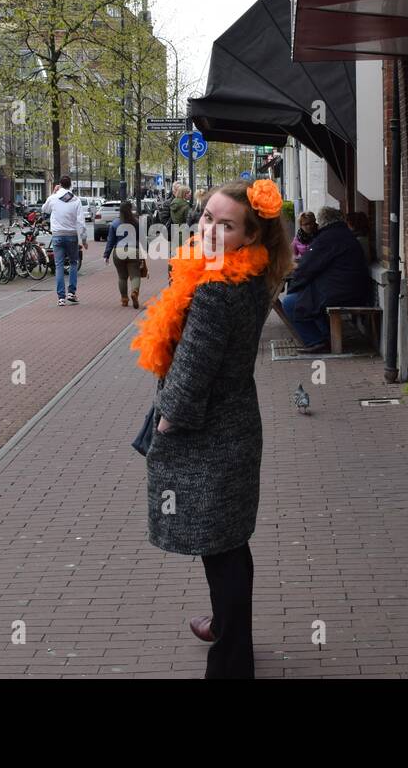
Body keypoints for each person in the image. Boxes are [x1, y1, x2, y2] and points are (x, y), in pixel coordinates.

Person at [131, 177, 292, 679]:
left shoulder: (217, 291)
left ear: (250, 238)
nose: (211, 229)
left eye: (226, 225)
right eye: (207, 218)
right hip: (235, 423)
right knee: (227, 542)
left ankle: (230, 662)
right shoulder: (247, 276)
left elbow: (194, 366)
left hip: (209, 435)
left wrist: (167, 419)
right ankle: (225, 627)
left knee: (220, 549)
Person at [280, 206, 373, 353]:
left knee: (290, 302)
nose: (315, 225)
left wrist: (294, 287)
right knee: (308, 300)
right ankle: (324, 337)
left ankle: (316, 341)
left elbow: (307, 266)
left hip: (341, 291)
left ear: (323, 222)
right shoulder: (342, 235)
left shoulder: (328, 238)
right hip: (352, 289)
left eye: (317, 221)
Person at [42, 175, 87, 305]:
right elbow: (81, 222)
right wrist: (83, 239)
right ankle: (71, 293)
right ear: (70, 185)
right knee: (73, 263)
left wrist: (53, 192)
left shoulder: (54, 197)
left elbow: (44, 209)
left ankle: (61, 297)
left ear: (60, 185)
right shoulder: (76, 200)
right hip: (71, 235)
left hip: (57, 235)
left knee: (59, 265)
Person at [104, 200, 148, 308]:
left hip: (119, 252)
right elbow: (142, 239)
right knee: (135, 275)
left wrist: (106, 255)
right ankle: (134, 292)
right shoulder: (136, 222)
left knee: (122, 277)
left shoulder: (115, 223)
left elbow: (110, 241)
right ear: (130, 209)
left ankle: (124, 299)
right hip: (133, 251)